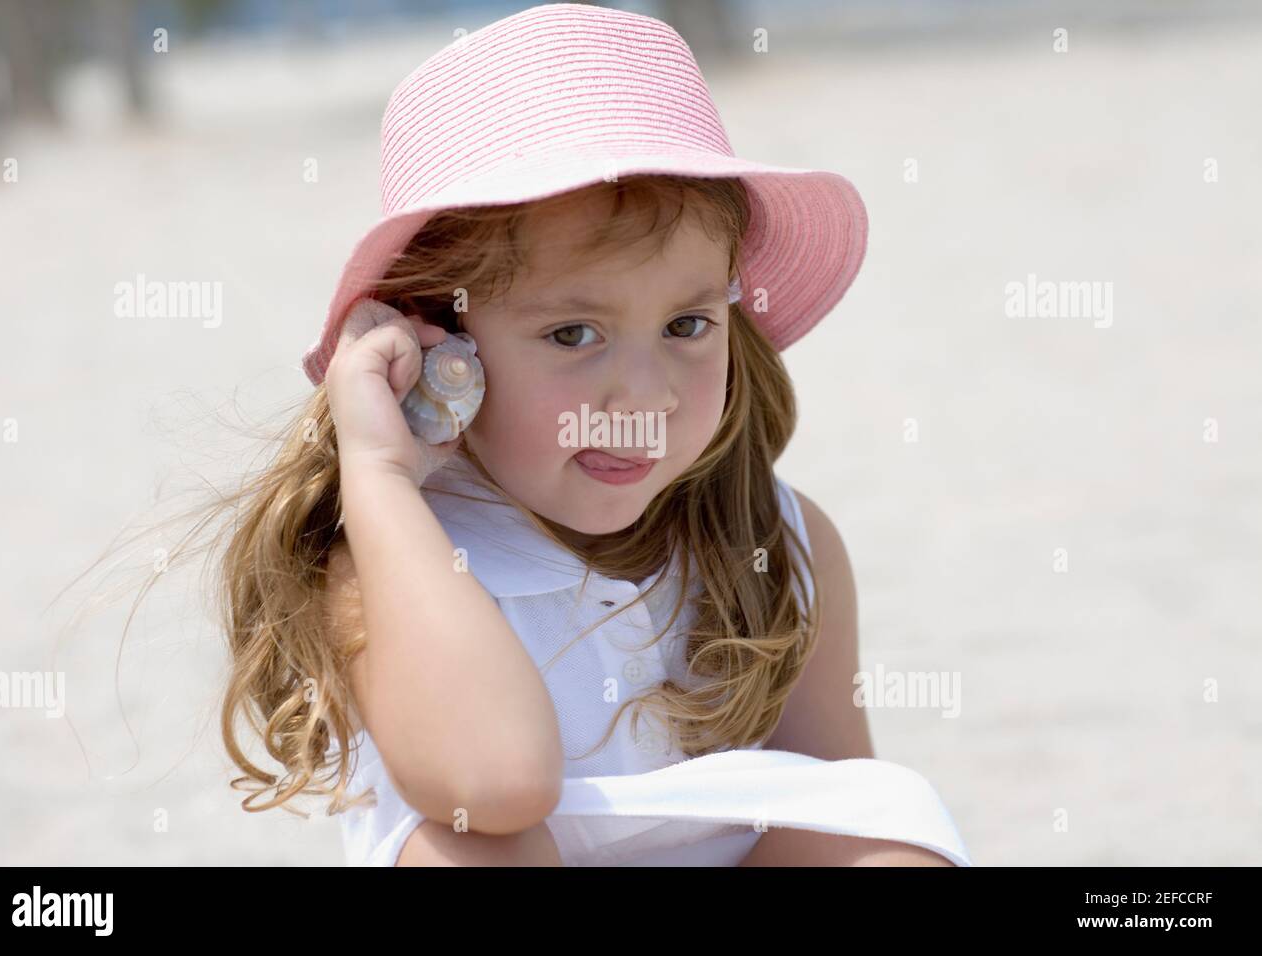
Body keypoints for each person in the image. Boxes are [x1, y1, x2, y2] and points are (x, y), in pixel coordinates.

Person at [230, 3, 970, 866]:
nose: (643, 394)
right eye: (574, 335)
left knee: (887, 843)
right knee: (470, 852)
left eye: (688, 325)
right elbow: (494, 782)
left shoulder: (779, 541)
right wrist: (381, 477)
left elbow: (830, 812)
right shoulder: (404, 554)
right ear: (440, 343)